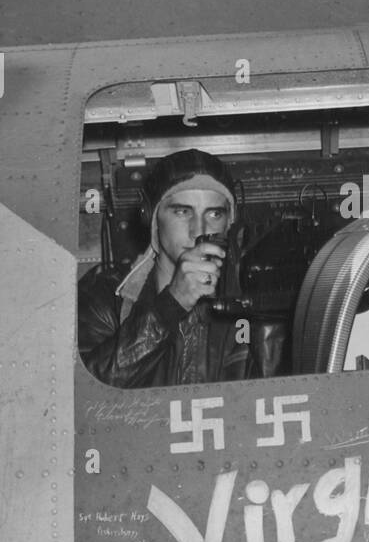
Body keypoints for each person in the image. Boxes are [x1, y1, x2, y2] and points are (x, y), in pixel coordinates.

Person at [78, 149, 258, 387]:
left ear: (230, 222)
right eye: (182, 212)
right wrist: (172, 303)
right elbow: (84, 394)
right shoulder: (105, 298)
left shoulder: (251, 303)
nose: (199, 231)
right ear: (152, 219)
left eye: (214, 214)